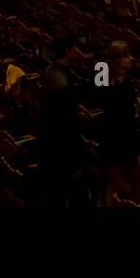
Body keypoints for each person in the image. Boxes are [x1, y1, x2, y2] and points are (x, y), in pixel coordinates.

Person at [39, 36, 86, 206]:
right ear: (67, 51)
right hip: (63, 147)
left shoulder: (49, 70)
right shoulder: (64, 83)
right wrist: (76, 161)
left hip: (50, 139)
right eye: (74, 48)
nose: (77, 51)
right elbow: (69, 123)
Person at [100, 40, 140, 204]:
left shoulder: (102, 73)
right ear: (117, 60)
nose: (131, 58)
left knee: (113, 187)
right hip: (122, 141)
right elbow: (129, 122)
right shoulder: (128, 87)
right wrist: (138, 152)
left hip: (107, 138)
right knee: (135, 182)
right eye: (126, 55)